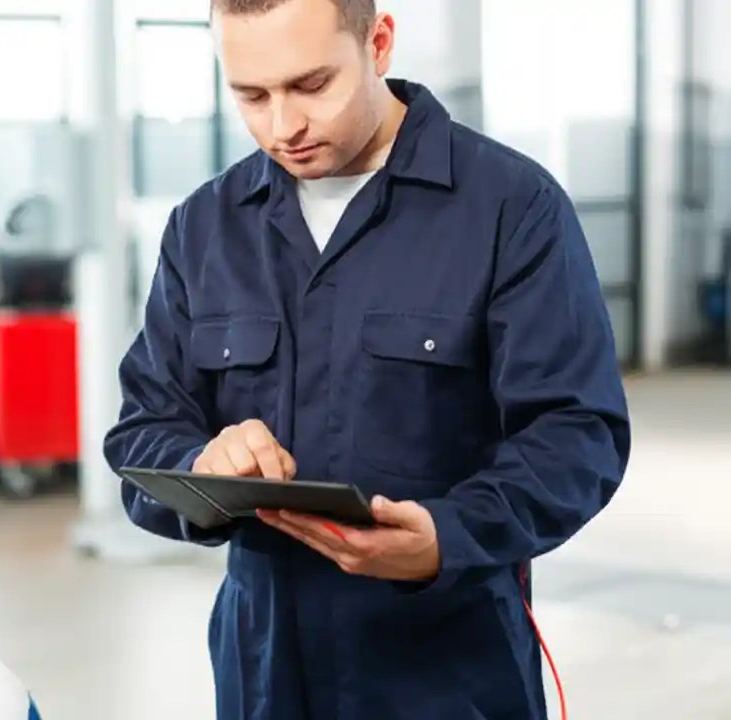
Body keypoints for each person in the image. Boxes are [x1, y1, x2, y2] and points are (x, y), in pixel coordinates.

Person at [102, 0, 632, 718]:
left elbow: (578, 433)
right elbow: (144, 429)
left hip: (449, 666)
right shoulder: (205, 227)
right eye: (252, 96)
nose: (283, 126)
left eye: (312, 85)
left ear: (378, 43)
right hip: (263, 669)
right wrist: (203, 467)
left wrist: (449, 536)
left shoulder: (511, 207)